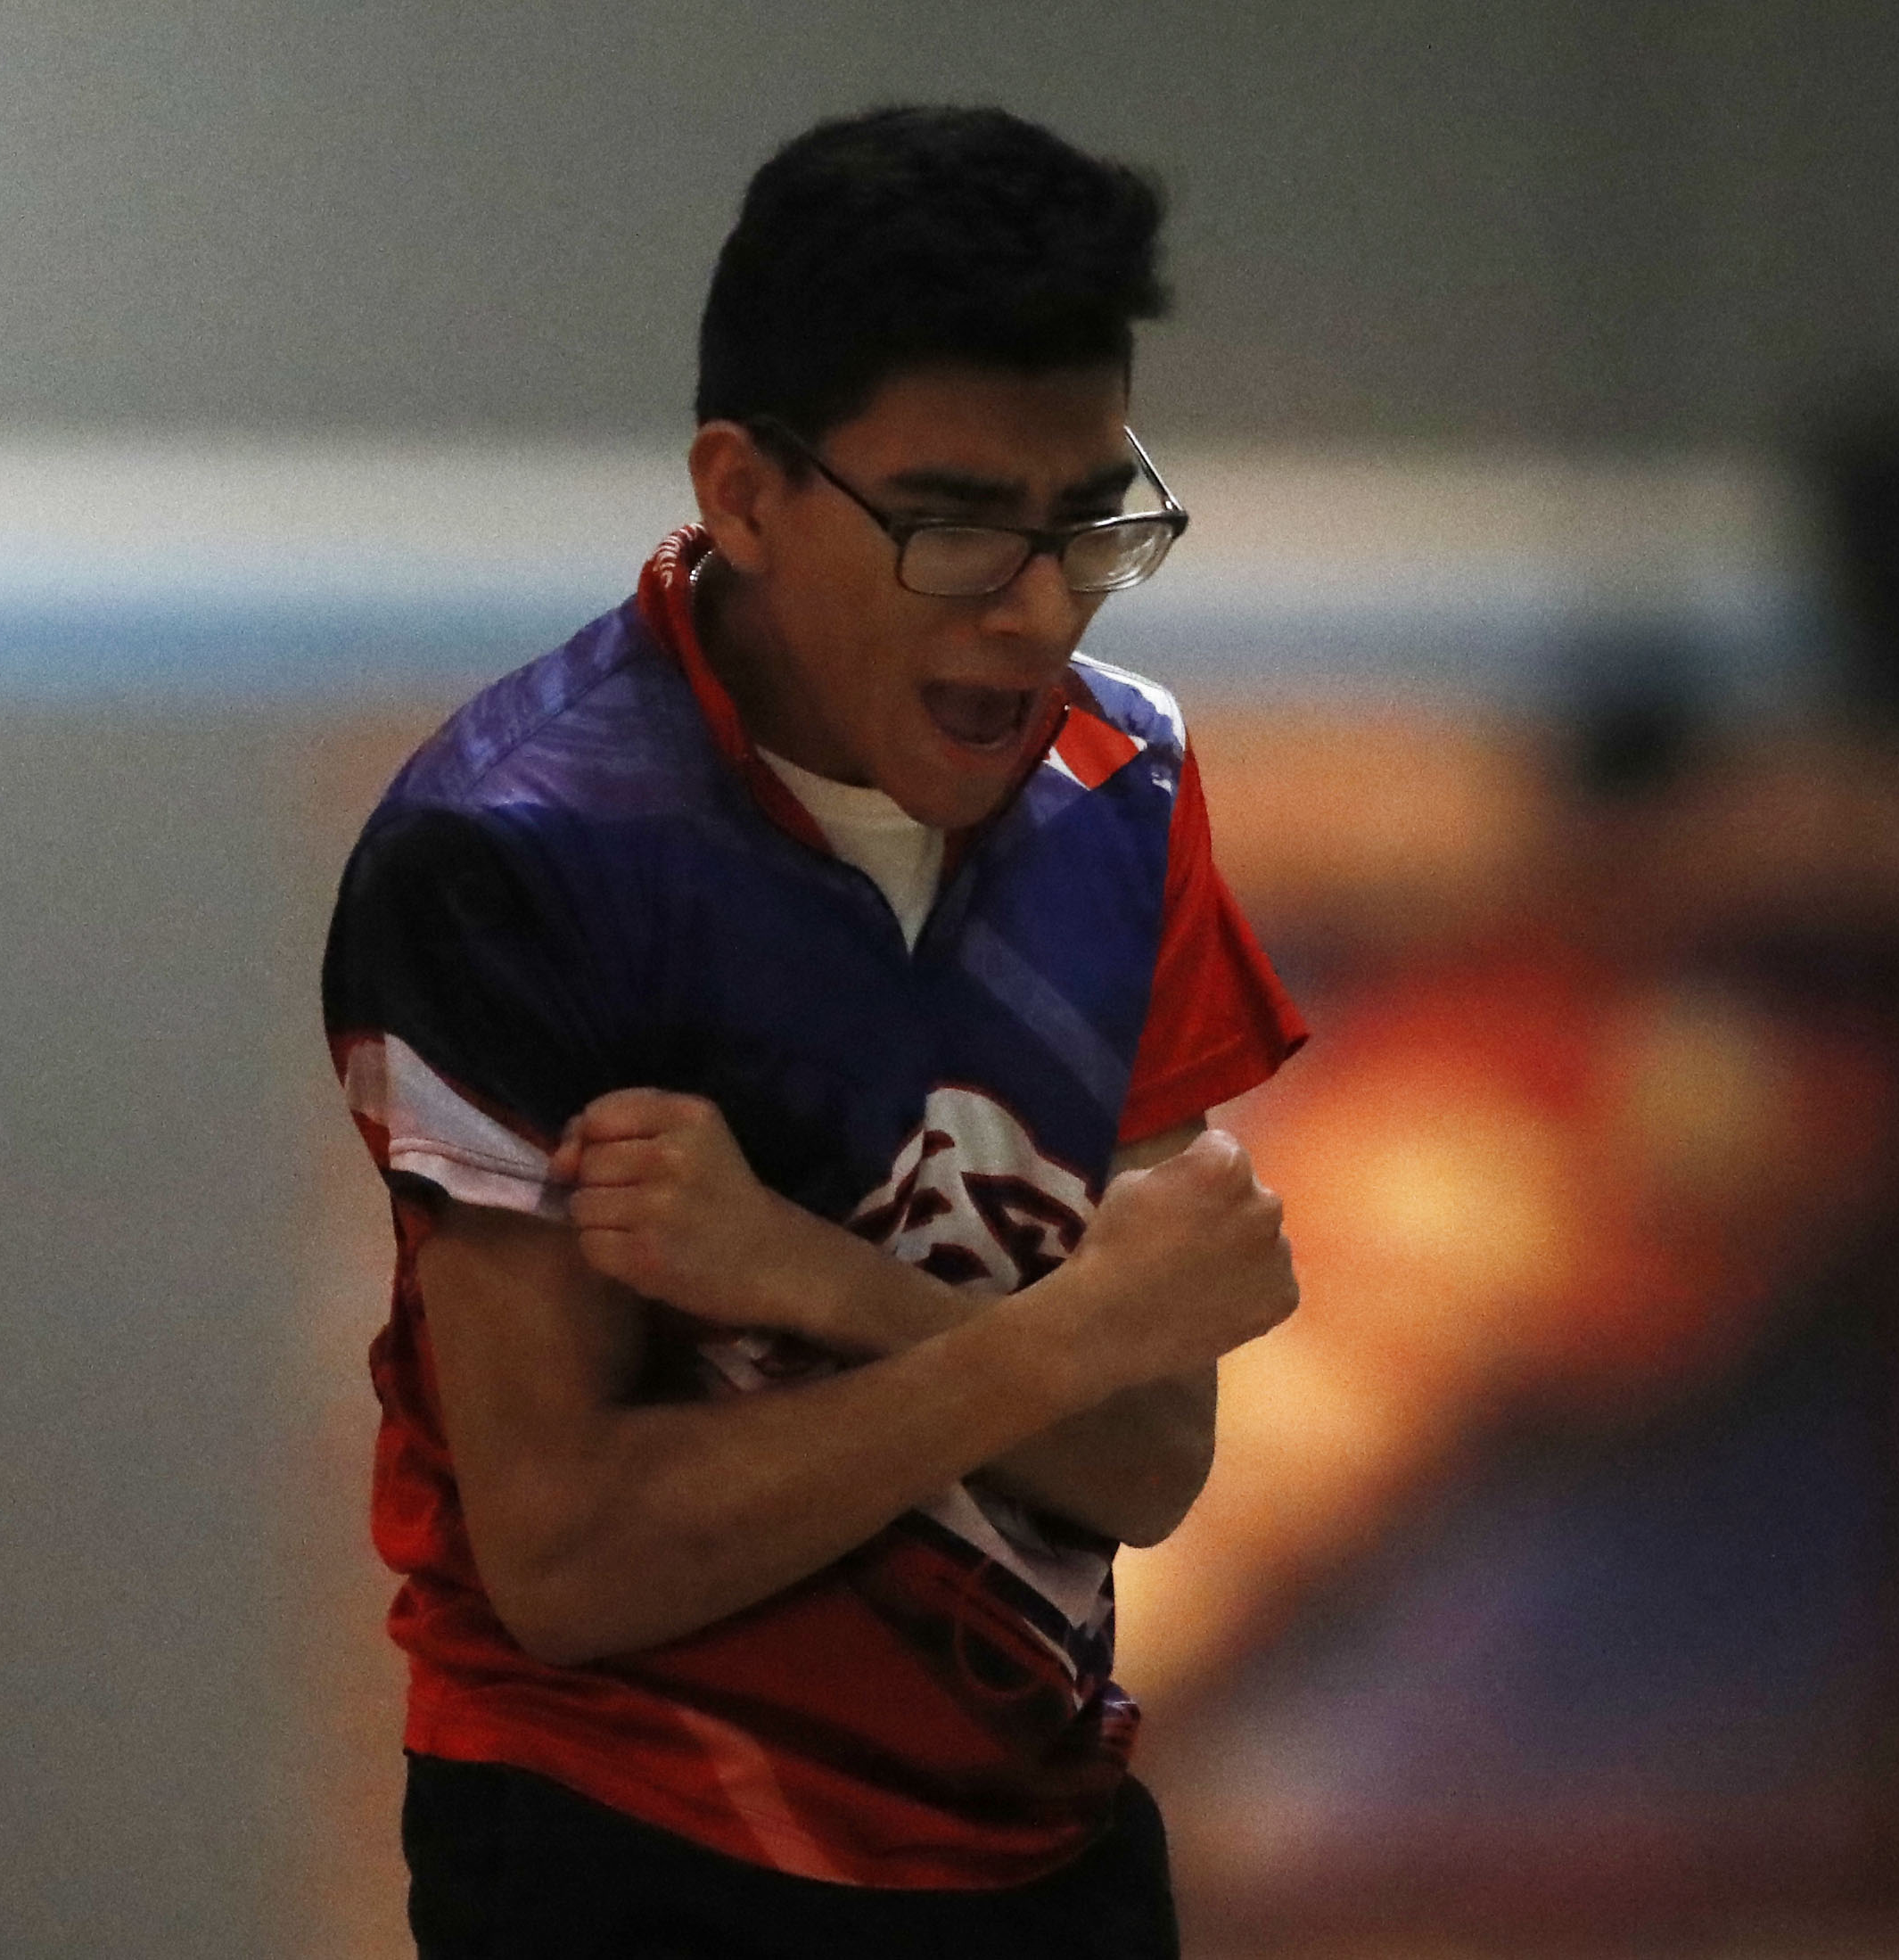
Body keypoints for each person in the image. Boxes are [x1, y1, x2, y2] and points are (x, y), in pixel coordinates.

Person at [321, 104, 1306, 1959]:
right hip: (620, 1848)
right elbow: (572, 1562)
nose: (1030, 613)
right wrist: (1063, 1339)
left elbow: (1145, 1462)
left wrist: (804, 1271)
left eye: (1087, 519)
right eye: (947, 527)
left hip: (1041, 1852)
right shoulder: (513, 854)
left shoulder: (1131, 786)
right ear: (744, 491)